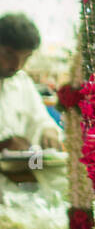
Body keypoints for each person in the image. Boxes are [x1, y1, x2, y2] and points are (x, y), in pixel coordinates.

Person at [0, 13, 62, 152]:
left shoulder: (21, 81)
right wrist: (4, 145)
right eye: (9, 54)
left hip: (19, 170)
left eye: (25, 58)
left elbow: (40, 119)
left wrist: (48, 130)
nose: (17, 65)